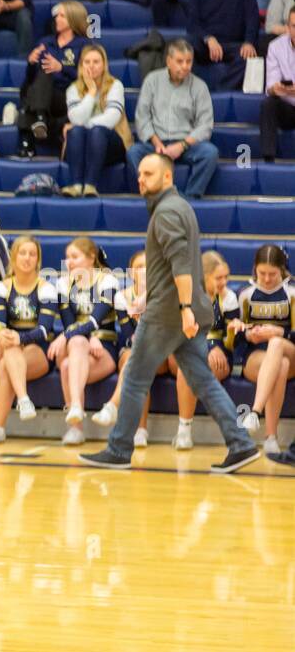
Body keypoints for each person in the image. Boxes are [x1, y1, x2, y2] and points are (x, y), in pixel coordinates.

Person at [80, 153, 260, 473]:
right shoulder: (180, 207)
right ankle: (241, 443)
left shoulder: (165, 213)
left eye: (148, 174)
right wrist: (149, 297)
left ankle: (119, 449)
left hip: (169, 314)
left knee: (134, 378)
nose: (141, 179)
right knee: (203, 379)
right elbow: (174, 266)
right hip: (174, 308)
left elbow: (180, 264)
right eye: (139, 174)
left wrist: (185, 308)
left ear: (167, 178)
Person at [0, 235, 58, 444]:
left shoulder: (46, 288)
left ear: (38, 260)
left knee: (6, 362)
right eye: (22, 253)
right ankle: (23, 400)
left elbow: (44, 330)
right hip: (9, 346)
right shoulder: (3, 287)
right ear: (14, 258)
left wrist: (19, 337)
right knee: (8, 353)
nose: (27, 258)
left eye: (32, 254)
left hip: (38, 350)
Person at [126, 40, 218, 199]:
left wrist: (182, 145)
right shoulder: (152, 80)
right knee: (133, 152)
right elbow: (142, 117)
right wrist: (156, 142)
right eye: (180, 61)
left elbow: (205, 125)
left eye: (189, 61)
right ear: (168, 61)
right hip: (156, 144)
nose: (185, 66)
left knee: (210, 153)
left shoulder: (199, 86)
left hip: (186, 144)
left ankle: (191, 197)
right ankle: (155, 194)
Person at [90, 250, 163, 448]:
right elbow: (129, 333)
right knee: (137, 359)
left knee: (143, 357)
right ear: (131, 273)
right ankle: (140, 429)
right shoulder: (122, 297)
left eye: (149, 266)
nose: (144, 271)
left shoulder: (165, 294)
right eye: (139, 267)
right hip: (133, 350)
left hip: (162, 353)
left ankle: (113, 405)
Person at [51, 237, 119, 446]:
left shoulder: (108, 281)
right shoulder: (63, 284)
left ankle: (75, 426)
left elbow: (94, 319)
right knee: (78, 341)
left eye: (75, 257)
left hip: (104, 349)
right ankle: (76, 409)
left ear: (91, 258)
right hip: (77, 345)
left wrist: (71, 335)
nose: (69, 262)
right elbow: (69, 322)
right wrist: (85, 337)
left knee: (66, 366)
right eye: (67, 257)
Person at [168, 251, 237, 450]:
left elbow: (233, 343)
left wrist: (235, 332)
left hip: (219, 358)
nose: (224, 282)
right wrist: (209, 347)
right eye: (218, 278)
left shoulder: (229, 298)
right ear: (204, 276)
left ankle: (185, 430)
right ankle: (183, 430)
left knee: (189, 367)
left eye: (226, 277)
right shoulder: (185, 298)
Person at [236, 244, 295, 455]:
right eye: (262, 273)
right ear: (254, 269)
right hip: (258, 356)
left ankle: (254, 411)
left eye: (273, 274)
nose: (267, 279)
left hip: (289, 348)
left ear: (283, 270)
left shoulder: (292, 293)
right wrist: (247, 334)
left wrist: (279, 333)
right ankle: (271, 437)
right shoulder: (245, 294)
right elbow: (235, 334)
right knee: (280, 366)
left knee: (277, 345)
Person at [15, 0, 88, 158]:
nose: (57, 19)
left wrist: (62, 68)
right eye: (57, 15)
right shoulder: (46, 42)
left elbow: (87, 78)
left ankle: (27, 142)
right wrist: (31, 64)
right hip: (42, 95)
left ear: (73, 18)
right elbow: (30, 79)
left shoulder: (84, 45)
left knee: (38, 86)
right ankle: (39, 119)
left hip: (67, 96)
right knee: (42, 74)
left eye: (62, 16)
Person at [62, 44, 131, 198]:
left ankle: (90, 186)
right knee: (76, 131)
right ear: (81, 65)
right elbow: (77, 119)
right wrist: (92, 92)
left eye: (96, 62)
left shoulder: (115, 85)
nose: (91, 66)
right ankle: (77, 185)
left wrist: (83, 125)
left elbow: (112, 118)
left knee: (96, 130)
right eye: (87, 62)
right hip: (81, 145)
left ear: (104, 64)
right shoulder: (73, 89)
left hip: (111, 145)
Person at [184, 0, 266, 90]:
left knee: (251, 55)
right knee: (187, 45)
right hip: (206, 45)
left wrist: (249, 42)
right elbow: (192, 23)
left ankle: (219, 91)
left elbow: (252, 17)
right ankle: (191, 89)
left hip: (234, 45)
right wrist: (208, 38)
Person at [260, 7, 295, 162]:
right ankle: (268, 158)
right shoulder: (276, 46)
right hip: (287, 107)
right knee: (268, 103)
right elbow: (271, 85)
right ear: (287, 27)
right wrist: (276, 89)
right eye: (294, 26)